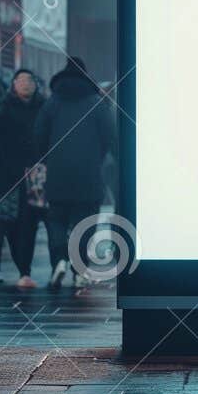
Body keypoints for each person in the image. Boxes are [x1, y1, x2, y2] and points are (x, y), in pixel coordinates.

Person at [35, 56, 114, 287]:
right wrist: (100, 158)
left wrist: (48, 158)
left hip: (58, 173)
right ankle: (79, 270)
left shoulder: (52, 102)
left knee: (56, 220)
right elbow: (111, 136)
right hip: (89, 174)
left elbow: (39, 133)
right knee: (85, 222)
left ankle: (59, 261)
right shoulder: (96, 102)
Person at [0, 68, 45, 289]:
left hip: (34, 175)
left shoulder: (43, 107)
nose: (26, 85)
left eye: (30, 80)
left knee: (27, 224)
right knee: (2, 221)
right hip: (6, 175)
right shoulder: (0, 108)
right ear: (13, 84)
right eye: (21, 81)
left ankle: (24, 270)